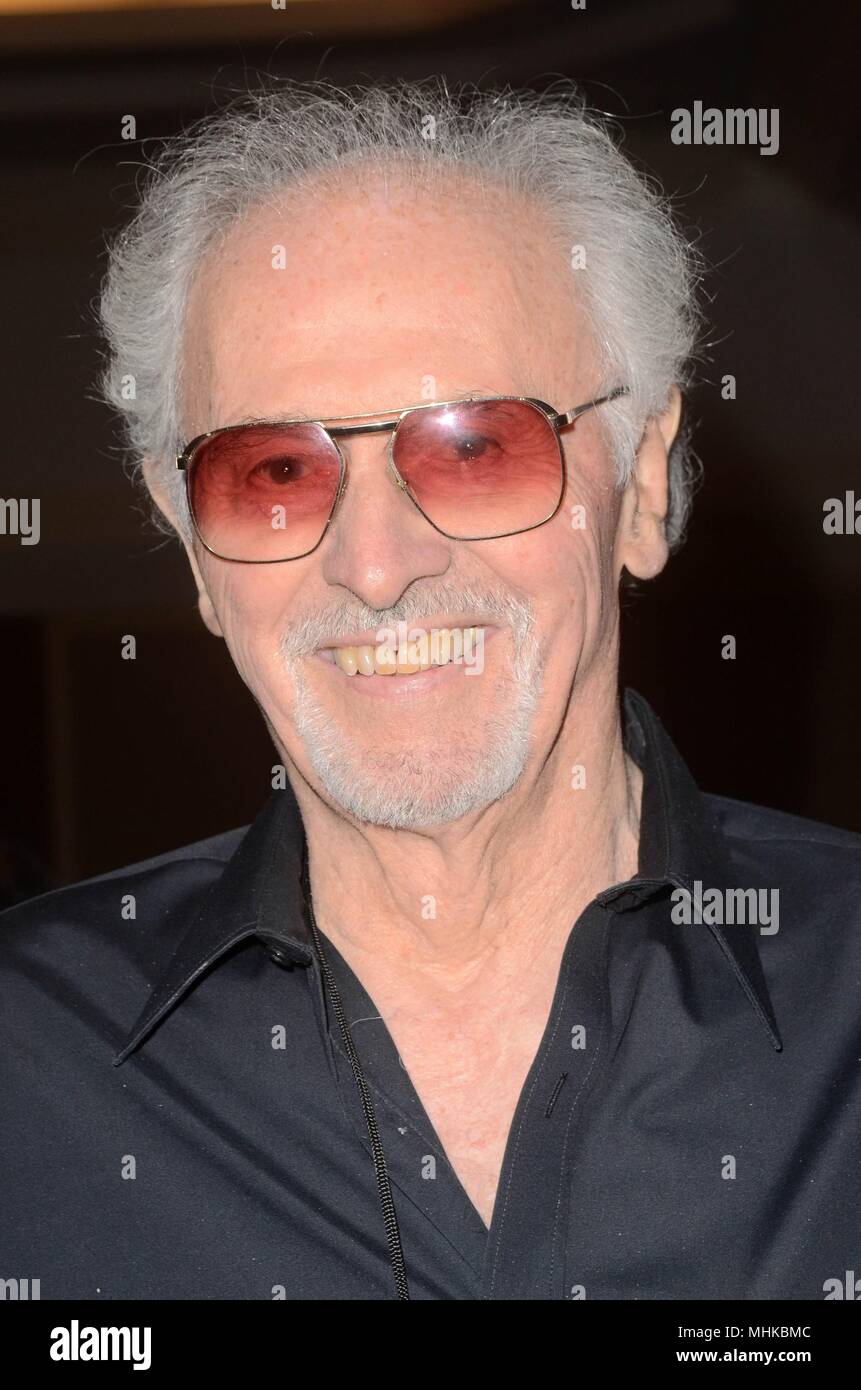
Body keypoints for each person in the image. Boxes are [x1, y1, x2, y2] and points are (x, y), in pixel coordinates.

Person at [3, 78, 859, 1302]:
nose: (377, 563)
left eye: (474, 447)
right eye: (273, 469)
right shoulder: (26, 1073)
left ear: (647, 483)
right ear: (189, 544)